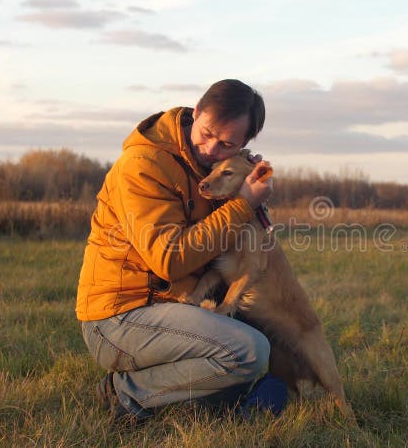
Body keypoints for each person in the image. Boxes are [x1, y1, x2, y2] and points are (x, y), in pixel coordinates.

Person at [76, 79, 280, 423]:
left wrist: (249, 185)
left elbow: (241, 247)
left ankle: (217, 397)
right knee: (249, 351)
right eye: (206, 132)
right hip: (120, 317)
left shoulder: (215, 168)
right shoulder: (142, 165)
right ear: (195, 112)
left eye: (227, 144)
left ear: (244, 144)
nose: (210, 149)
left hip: (178, 304)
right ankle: (126, 391)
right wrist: (243, 204)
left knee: (269, 333)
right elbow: (169, 260)